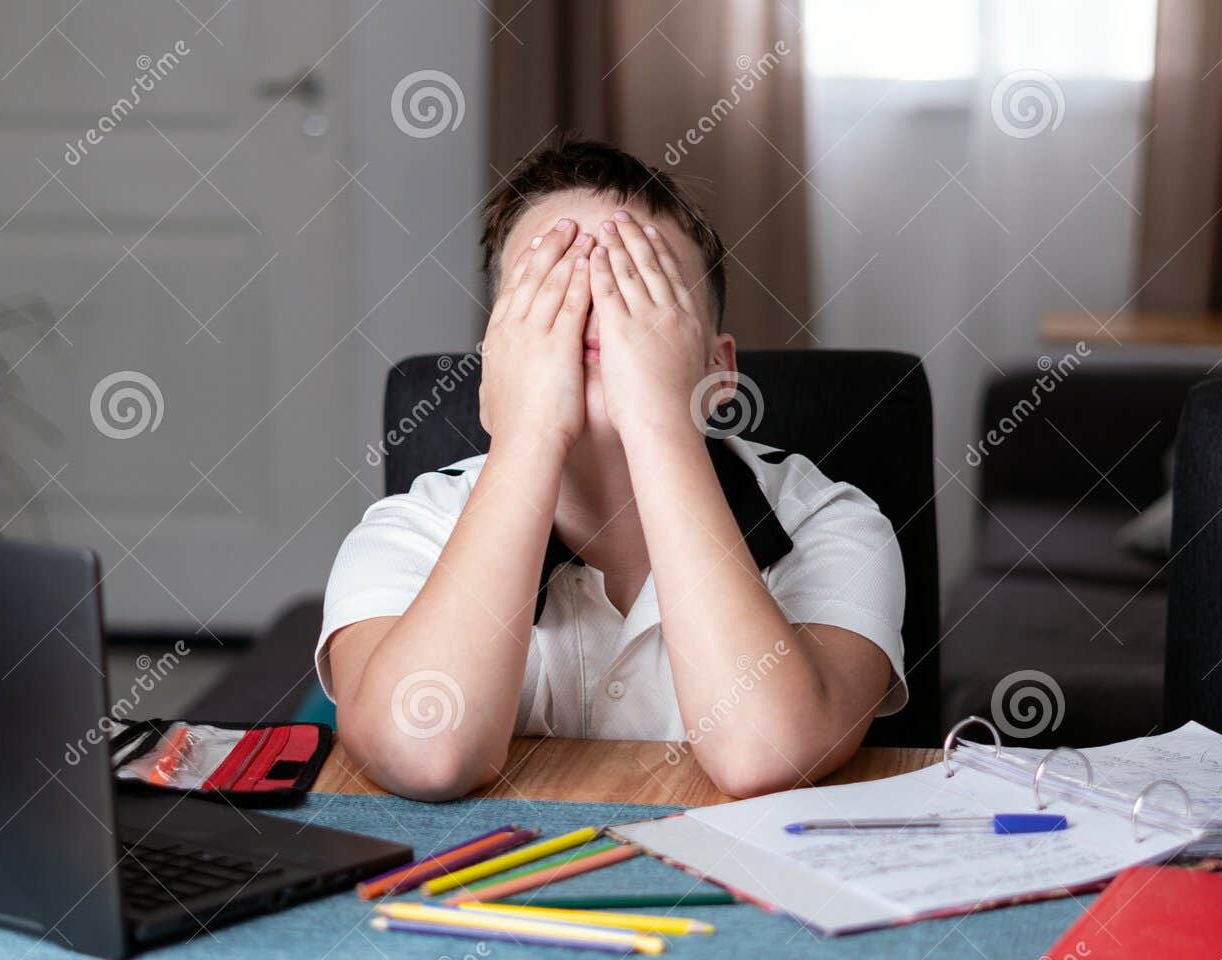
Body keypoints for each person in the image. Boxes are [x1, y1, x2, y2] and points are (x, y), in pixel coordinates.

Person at [315, 138, 906, 801]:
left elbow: (764, 754)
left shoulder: (832, 525)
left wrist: (661, 418)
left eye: (639, 285)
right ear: (496, 361)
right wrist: (528, 432)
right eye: (555, 285)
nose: (598, 311)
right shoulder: (408, 532)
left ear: (720, 369)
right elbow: (429, 755)